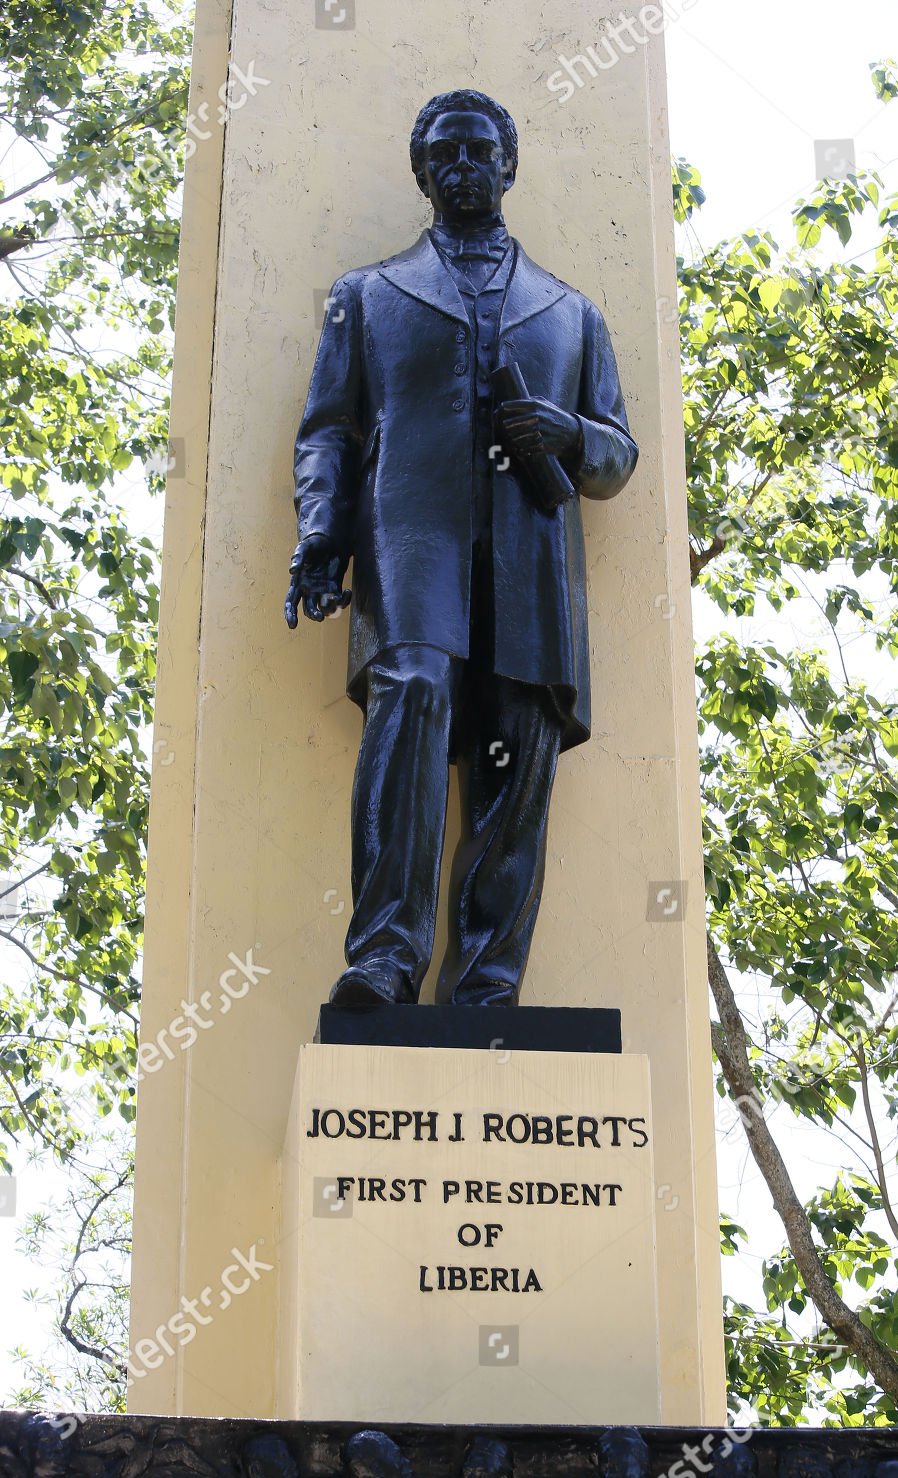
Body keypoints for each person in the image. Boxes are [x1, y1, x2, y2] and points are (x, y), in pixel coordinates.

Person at [286, 89, 638, 1010]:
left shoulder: (573, 314)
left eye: (480, 150)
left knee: (519, 737)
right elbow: (329, 428)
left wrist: (565, 432)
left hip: (530, 558)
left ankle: (487, 980)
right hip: (412, 542)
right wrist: (320, 532)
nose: (462, 164)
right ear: (422, 171)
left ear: (509, 166)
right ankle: (385, 959)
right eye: (444, 152)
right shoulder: (366, 297)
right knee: (413, 698)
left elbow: (616, 456)